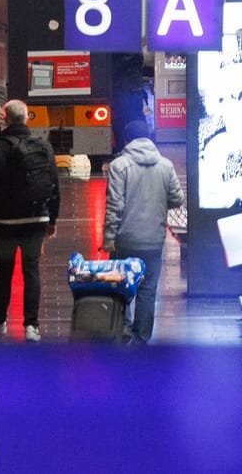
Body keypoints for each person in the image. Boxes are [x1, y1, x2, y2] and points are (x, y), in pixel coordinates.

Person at [0, 99, 60, 343]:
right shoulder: (43, 145)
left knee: (4, 272)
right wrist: (52, 218)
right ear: (27, 118)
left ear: (5, 118)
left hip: (6, 221)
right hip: (36, 218)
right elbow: (54, 183)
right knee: (31, 270)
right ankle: (31, 326)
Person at [103, 120, 184, 344]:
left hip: (125, 239)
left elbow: (114, 205)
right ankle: (142, 337)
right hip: (154, 240)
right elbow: (177, 198)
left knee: (121, 287)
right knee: (148, 289)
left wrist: (109, 238)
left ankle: (124, 329)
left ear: (127, 140)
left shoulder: (119, 166)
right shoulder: (166, 165)